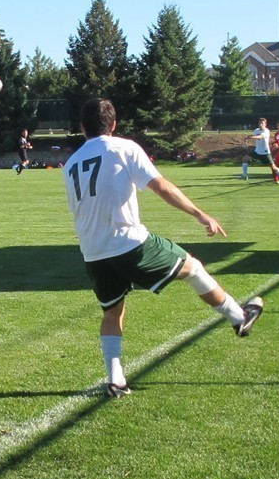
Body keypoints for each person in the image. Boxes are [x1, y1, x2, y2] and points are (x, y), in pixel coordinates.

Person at [63, 97, 263, 398]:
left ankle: (116, 380)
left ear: (82, 128)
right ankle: (239, 318)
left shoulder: (72, 163)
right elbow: (161, 186)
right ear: (114, 124)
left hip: (92, 252)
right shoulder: (124, 147)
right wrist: (201, 214)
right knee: (193, 268)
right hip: (129, 243)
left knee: (112, 312)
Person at [251, 118, 279, 185]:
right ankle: (245, 176)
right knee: (245, 159)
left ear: (265, 124)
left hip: (265, 152)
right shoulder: (256, 130)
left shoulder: (266, 131)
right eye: (259, 123)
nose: (260, 124)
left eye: (262, 123)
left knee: (273, 167)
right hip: (257, 151)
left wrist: (251, 137)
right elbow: (257, 139)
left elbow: (260, 137)